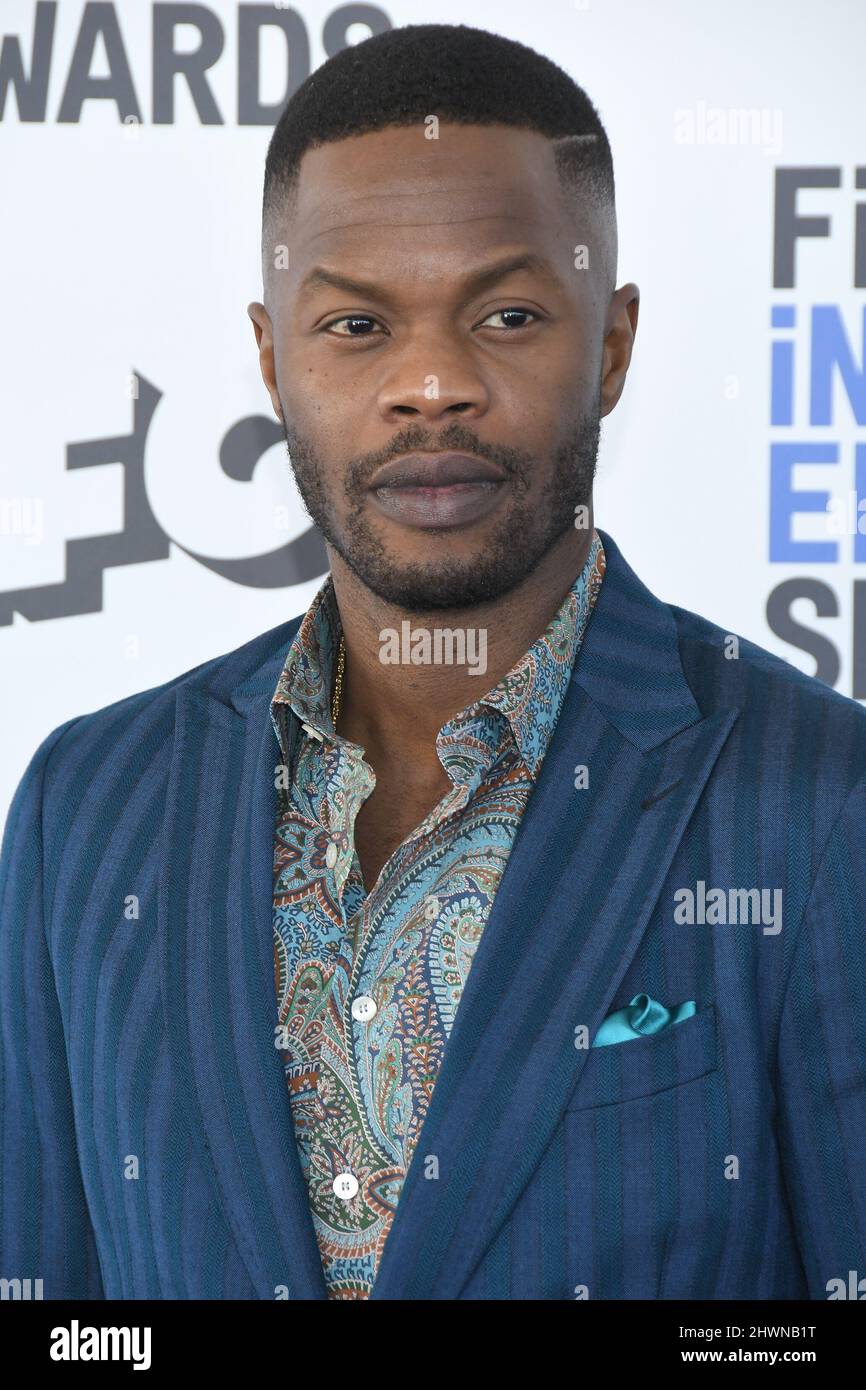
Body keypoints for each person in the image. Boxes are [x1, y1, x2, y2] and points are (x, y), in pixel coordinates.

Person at [2, 22, 865, 1303]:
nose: (429, 384)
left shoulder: (819, 802)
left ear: (612, 346)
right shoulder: (88, 805)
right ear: (271, 360)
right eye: (355, 323)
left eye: (505, 315)